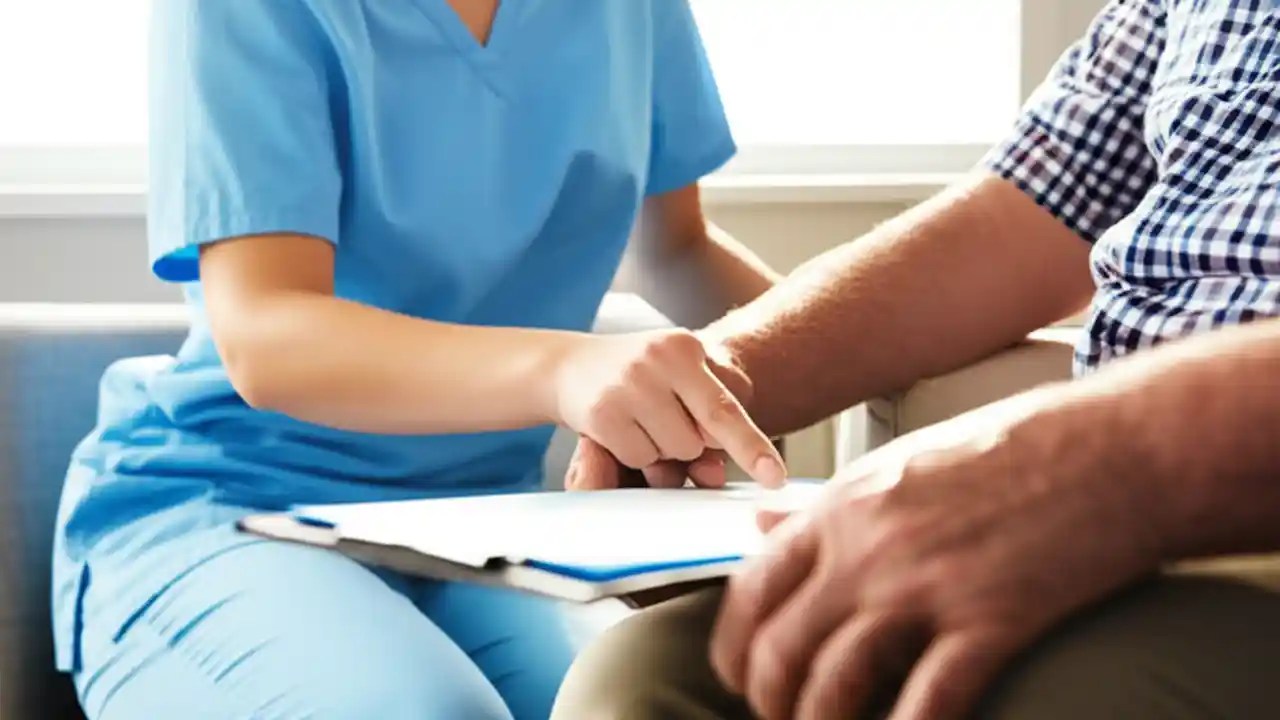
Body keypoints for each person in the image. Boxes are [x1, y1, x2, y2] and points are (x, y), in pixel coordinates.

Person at [51, 1, 788, 718]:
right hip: (233, 509)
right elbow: (264, 336)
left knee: (648, 701)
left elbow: (674, 249)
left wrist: (892, 381)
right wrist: (564, 369)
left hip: (490, 525)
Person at [551, 1, 1280, 718]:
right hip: (1116, 519)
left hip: (1222, 517)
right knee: (651, 676)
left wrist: (1099, 470)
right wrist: (714, 381)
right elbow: (1019, 217)